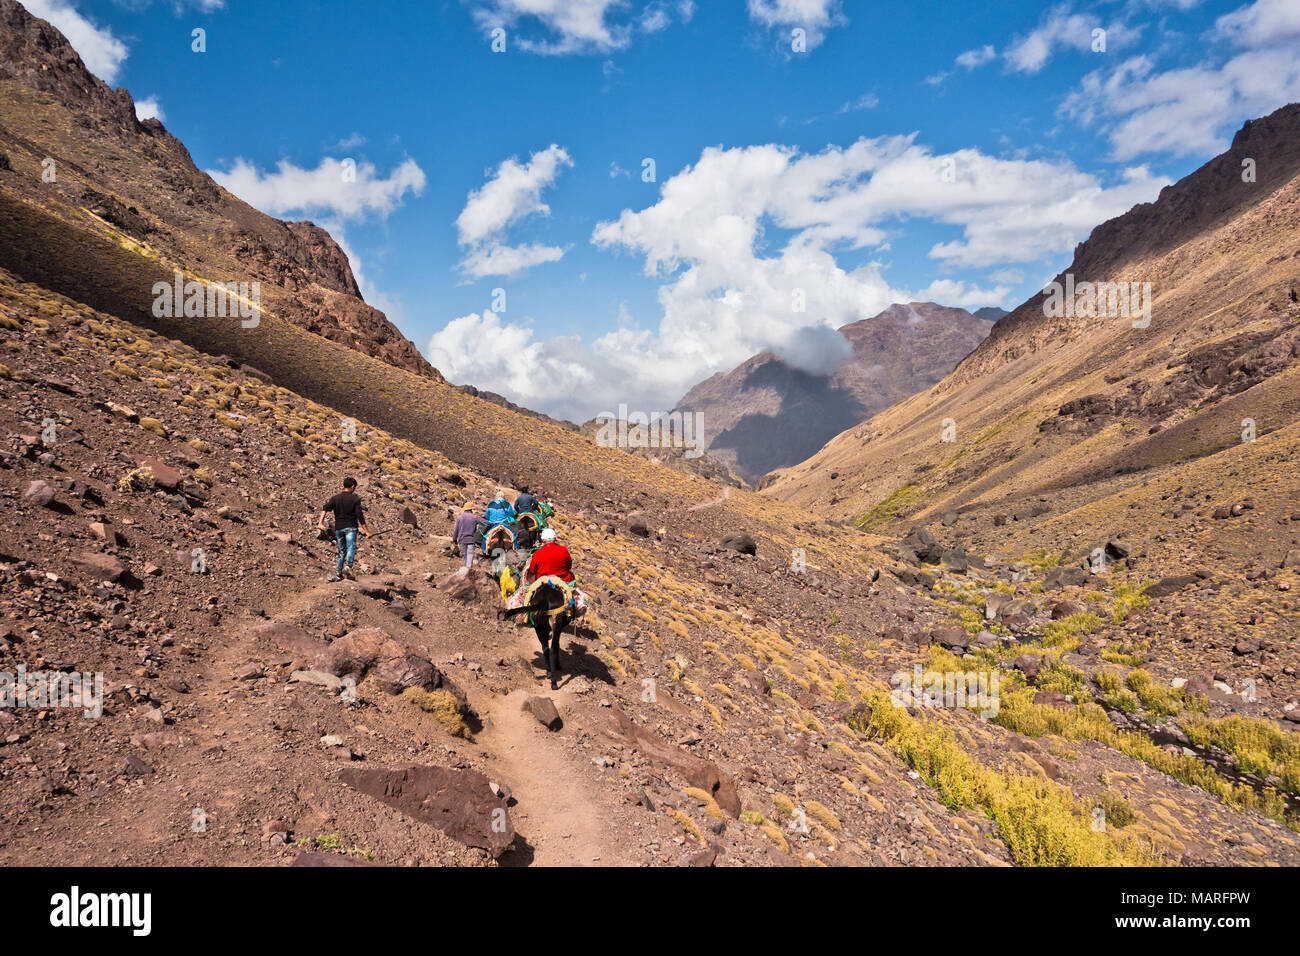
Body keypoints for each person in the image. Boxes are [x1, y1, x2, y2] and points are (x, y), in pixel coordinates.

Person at [318, 476, 369, 581]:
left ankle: (338, 573)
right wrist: (367, 531)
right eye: (355, 487)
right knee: (351, 547)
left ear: (343, 486)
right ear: (353, 486)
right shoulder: (355, 499)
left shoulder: (335, 498)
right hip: (350, 527)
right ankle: (348, 567)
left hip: (339, 528)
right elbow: (360, 516)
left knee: (341, 551)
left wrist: (320, 522)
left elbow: (325, 508)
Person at [452, 501, 482, 569]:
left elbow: (456, 530)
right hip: (471, 540)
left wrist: (454, 539)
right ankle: (469, 570)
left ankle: (464, 570)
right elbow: (485, 522)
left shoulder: (460, 517)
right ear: (471, 509)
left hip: (462, 539)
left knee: (464, 555)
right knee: (470, 555)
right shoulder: (475, 517)